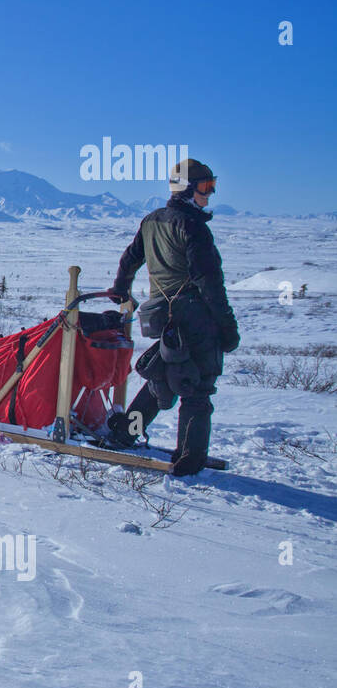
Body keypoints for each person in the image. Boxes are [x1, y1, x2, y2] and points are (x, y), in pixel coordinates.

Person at [104, 158, 239, 475]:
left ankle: (126, 434)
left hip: (162, 318)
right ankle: (190, 459)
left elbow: (130, 258)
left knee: (160, 378)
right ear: (189, 189)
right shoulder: (193, 228)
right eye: (207, 187)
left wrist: (121, 289)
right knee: (199, 387)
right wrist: (227, 328)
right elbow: (211, 285)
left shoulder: (152, 221)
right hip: (195, 318)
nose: (210, 194)